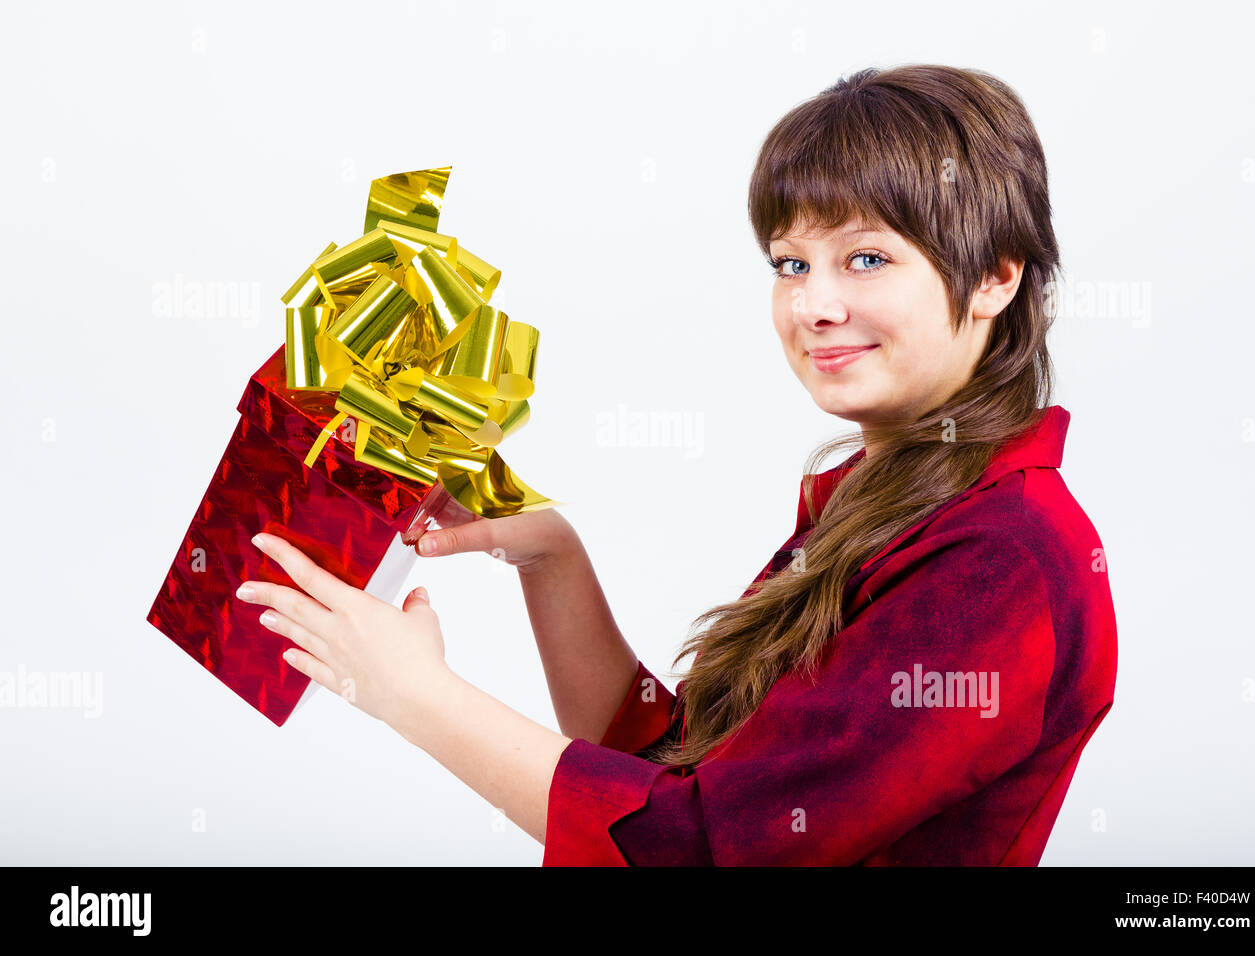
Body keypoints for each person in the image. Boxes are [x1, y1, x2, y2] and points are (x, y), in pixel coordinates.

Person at [233, 63, 1118, 866]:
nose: (813, 304)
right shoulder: (889, 501)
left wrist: (415, 696)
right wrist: (549, 555)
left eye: (867, 259)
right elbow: (666, 767)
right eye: (791, 262)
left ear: (997, 277)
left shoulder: (1001, 560)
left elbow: (697, 850)